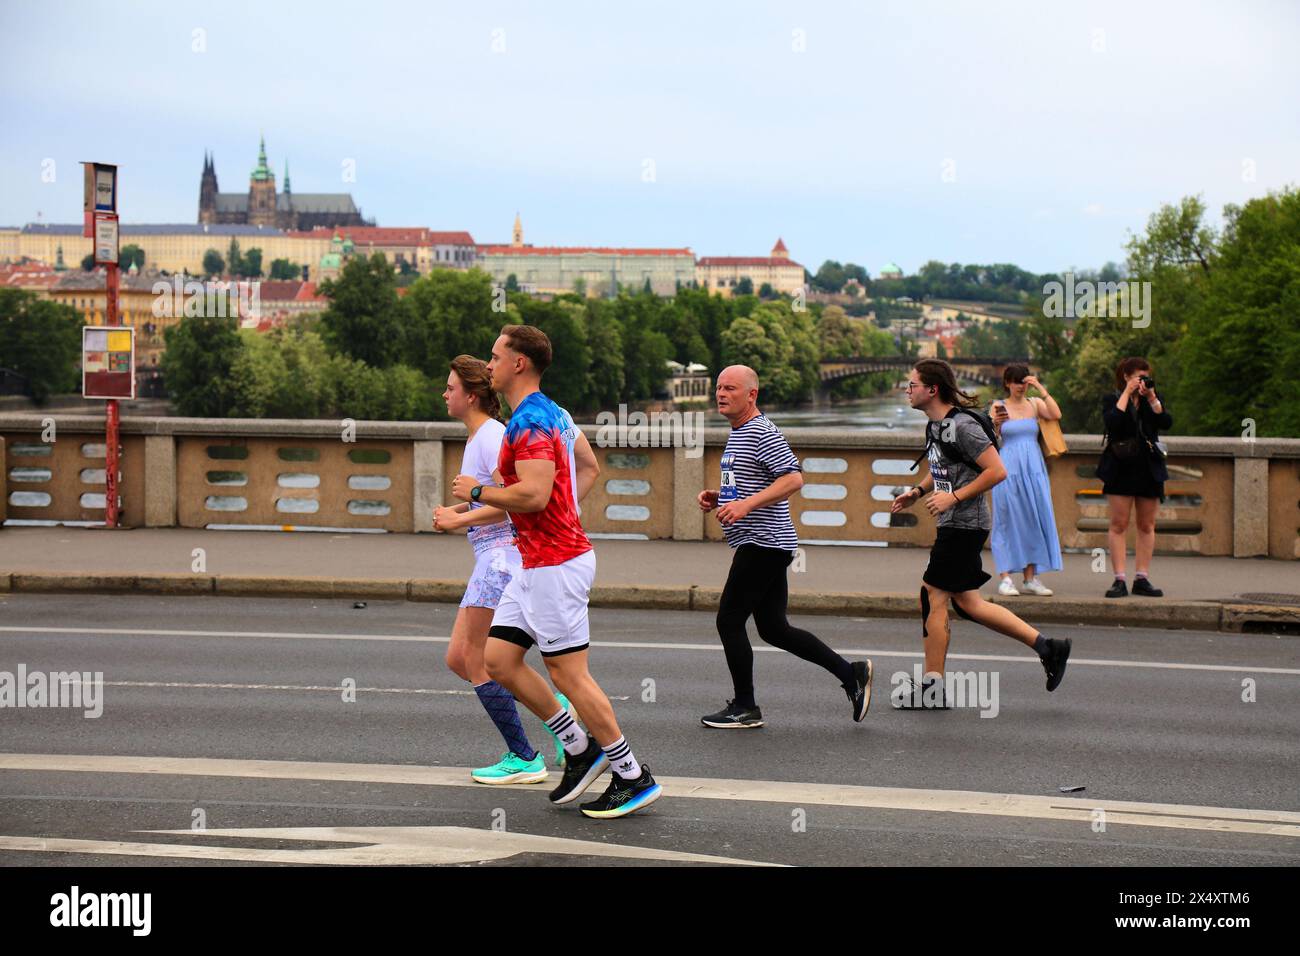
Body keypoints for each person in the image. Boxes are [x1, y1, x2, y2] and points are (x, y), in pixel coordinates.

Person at [451, 324, 663, 819]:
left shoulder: (529, 422)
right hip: (531, 560)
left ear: (518, 364)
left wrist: (476, 493)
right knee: (499, 660)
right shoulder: (557, 415)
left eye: (496, 355)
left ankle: (632, 775)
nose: (489, 364)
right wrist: (565, 513)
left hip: (555, 564)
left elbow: (533, 494)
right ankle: (579, 748)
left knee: (569, 673)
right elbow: (588, 467)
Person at [697, 365, 873, 728]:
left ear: (752, 395)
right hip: (766, 542)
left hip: (764, 542)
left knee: (729, 620)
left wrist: (744, 505)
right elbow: (756, 482)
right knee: (774, 628)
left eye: (730, 388)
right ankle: (850, 673)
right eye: (718, 387)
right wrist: (722, 497)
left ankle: (745, 706)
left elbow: (793, 478)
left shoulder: (762, 431)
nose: (721, 394)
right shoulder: (739, 431)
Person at [891, 359, 1070, 708]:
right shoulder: (938, 426)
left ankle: (932, 689)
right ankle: (1048, 647)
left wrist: (953, 498)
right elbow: (943, 466)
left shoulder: (962, 427)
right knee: (969, 603)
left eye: (912, 385)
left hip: (964, 523)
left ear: (932, 389)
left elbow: (997, 471)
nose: (907, 390)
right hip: (955, 522)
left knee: (933, 595)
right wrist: (917, 491)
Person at [432, 355, 569, 785]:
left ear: (471, 396)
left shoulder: (492, 436)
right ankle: (558, 719)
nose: (445, 394)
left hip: (500, 558)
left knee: (478, 661)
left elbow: (510, 505)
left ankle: (526, 754)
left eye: (451, 387)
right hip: (490, 558)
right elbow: (490, 498)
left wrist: (460, 519)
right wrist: (457, 509)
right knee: (462, 658)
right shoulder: (480, 437)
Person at [1097, 357, 1172, 598]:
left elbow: (1166, 422)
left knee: (1147, 524)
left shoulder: (1152, 397)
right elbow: (1113, 423)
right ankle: (1119, 579)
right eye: (1139, 377)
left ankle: (1142, 577)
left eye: (1146, 377)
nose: (1144, 381)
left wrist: (1151, 398)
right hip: (1120, 467)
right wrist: (1126, 394)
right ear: (1126, 376)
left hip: (1148, 467)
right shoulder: (1112, 399)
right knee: (1119, 524)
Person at [988, 365, 1063, 596]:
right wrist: (996, 424)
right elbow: (991, 438)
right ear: (1008, 383)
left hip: (1034, 470)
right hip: (1008, 469)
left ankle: (1030, 578)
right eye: (1016, 381)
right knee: (1006, 520)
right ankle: (1006, 577)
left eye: (1024, 381)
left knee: (1034, 519)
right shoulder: (998, 406)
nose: (1021, 386)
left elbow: (1056, 414)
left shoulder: (1035, 404)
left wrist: (1040, 387)